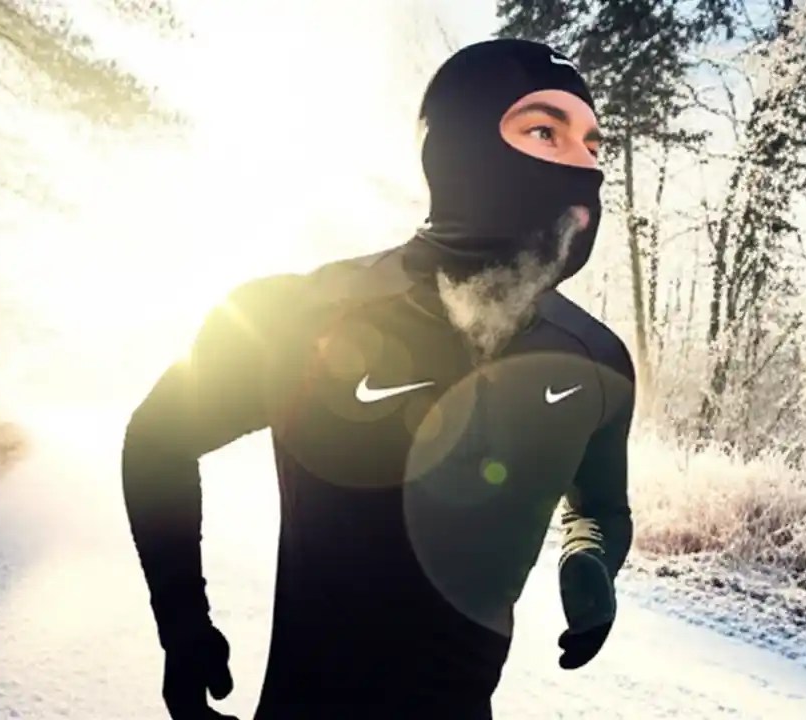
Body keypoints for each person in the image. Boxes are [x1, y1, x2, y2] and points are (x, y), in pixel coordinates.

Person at [121, 38, 636, 720]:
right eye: (545, 131)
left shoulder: (596, 362)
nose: (582, 163)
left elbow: (600, 506)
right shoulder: (299, 314)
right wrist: (183, 625)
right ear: (459, 150)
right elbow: (157, 438)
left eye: (593, 145)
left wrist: (591, 556)